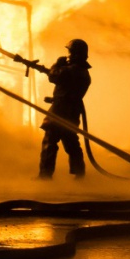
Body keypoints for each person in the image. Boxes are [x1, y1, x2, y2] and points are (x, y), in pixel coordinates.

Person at [39, 39, 92, 179]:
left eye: (69, 51)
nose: (67, 54)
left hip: (60, 111)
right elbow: (69, 91)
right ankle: (80, 174)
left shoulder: (72, 70)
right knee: (71, 143)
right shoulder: (82, 72)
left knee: (49, 141)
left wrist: (57, 63)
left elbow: (54, 76)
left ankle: (45, 175)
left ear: (75, 54)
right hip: (71, 111)